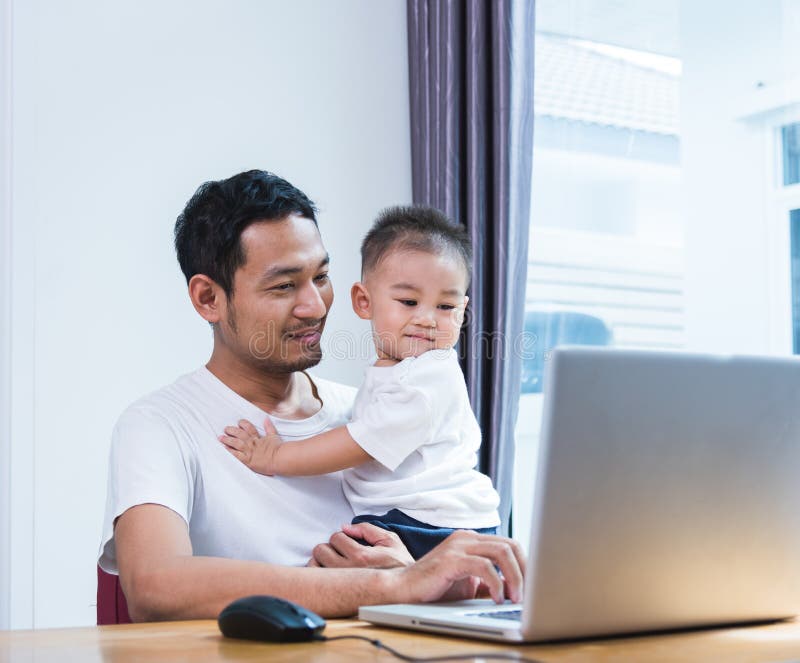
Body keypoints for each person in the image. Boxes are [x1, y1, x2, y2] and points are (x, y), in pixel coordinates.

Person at [98, 170, 524, 622]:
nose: (316, 306)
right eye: (284, 286)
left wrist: (413, 575)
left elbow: (434, 580)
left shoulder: (368, 409)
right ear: (208, 298)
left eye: (321, 276)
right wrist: (389, 586)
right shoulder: (160, 425)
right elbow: (155, 587)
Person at [219, 206, 501, 560]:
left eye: (445, 307)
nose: (427, 319)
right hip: (420, 519)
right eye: (409, 302)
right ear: (364, 301)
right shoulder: (400, 370)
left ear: (462, 310)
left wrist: (276, 456)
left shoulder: (429, 377)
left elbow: (359, 443)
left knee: (333, 563)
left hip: (433, 524)